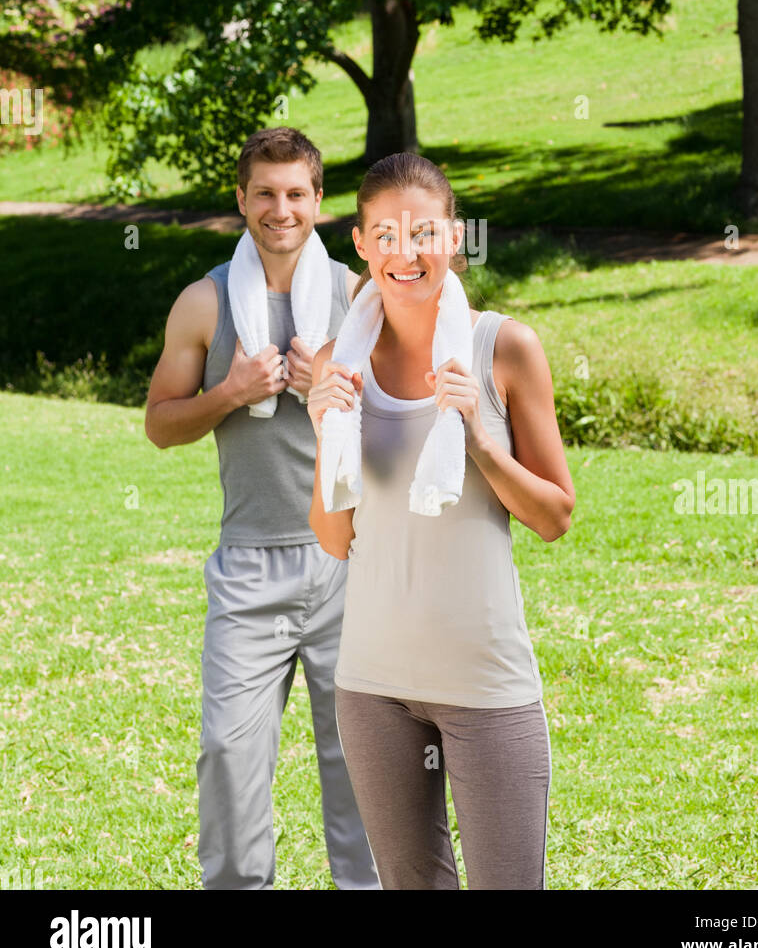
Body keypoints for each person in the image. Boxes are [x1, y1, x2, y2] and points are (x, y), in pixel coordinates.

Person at [306, 152, 575, 890]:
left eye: (423, 232)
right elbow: (335, 538)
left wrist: (481, 440)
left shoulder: (504, 349)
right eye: (385, 235)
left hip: (485, 682)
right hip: (372, 685)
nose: (406, 252)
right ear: (360, 245)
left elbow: (555, 515)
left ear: (453, 237)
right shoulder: (340, 363)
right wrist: (327, 428)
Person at [144, 127, 379, 891]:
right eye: (266, 194)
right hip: (248, 569)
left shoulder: (357, 299)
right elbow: (160, 425)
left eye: (297, 194)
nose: (282, 209)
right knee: (227, 756)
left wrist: (326, 391)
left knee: (363, 768)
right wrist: (230, 393)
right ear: (241, 200)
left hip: (350, 561)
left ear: (318, 202)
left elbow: (405, 432)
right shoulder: (205, 302)